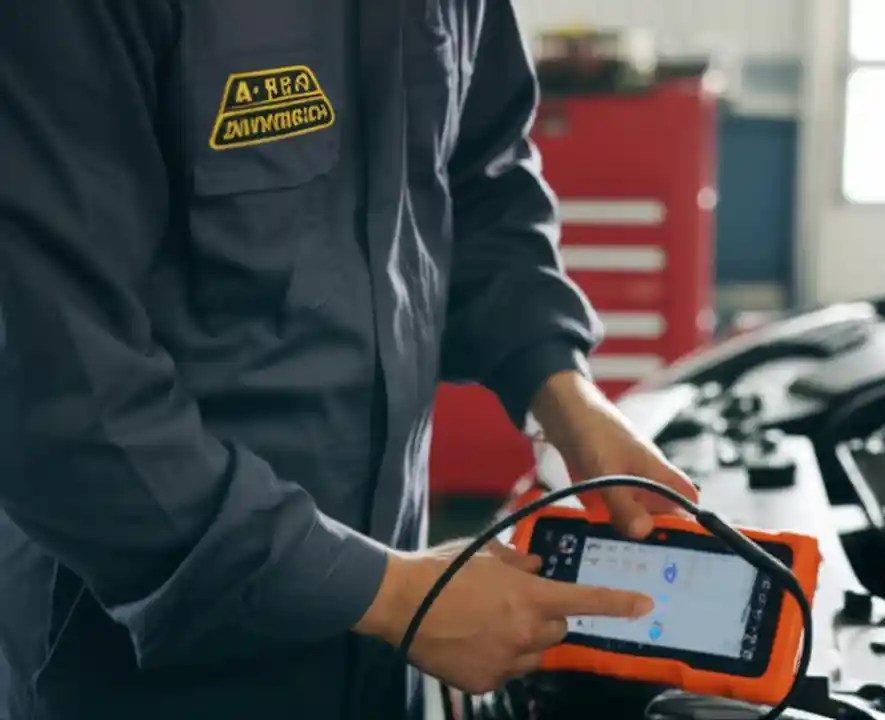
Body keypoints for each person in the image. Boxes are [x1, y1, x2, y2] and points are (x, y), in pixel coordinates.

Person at [0, 1, 698, 718]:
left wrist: (565, 398)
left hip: (382, 643)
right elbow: (58, 396)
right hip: (140, 665)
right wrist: (391, 594)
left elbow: (482, 181)